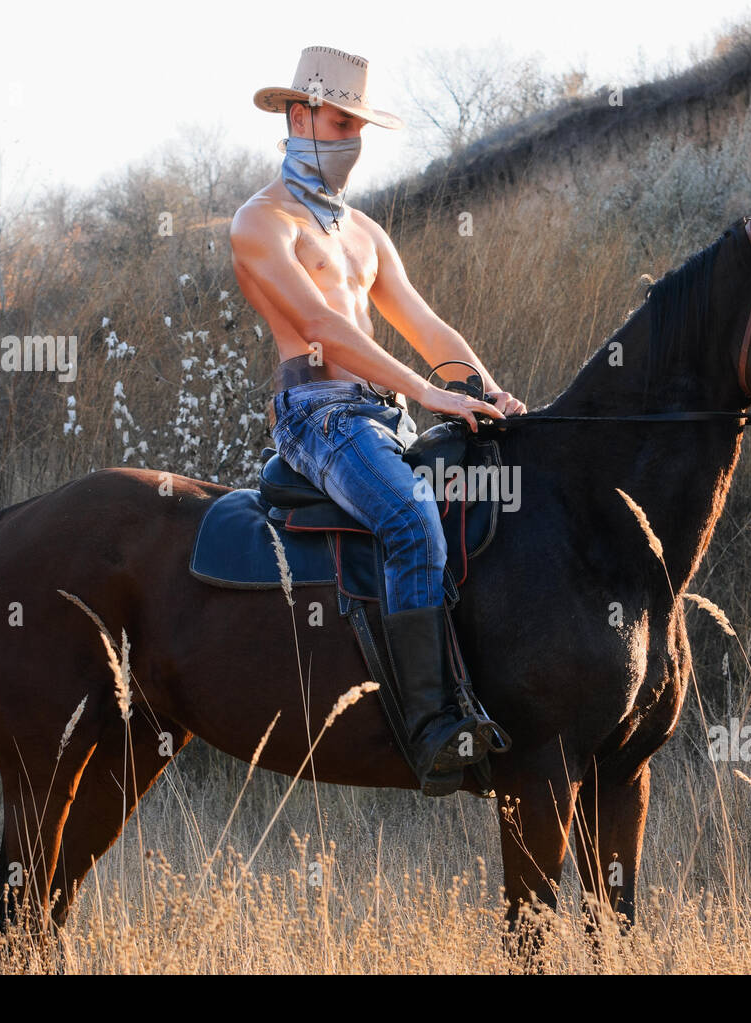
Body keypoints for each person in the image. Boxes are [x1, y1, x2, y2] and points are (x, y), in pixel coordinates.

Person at [230, 45, 526, 796]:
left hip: (381, 415)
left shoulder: (365, 233)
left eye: (359, 128)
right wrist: (431, 395)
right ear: (299, 117)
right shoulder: (261, 223)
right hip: (319, 416)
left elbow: (426, 326)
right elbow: (326, 329)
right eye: (337, 122)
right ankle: (431, 729)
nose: (350, 142)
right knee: (410, 518)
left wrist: (486, 390)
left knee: (497, 492)